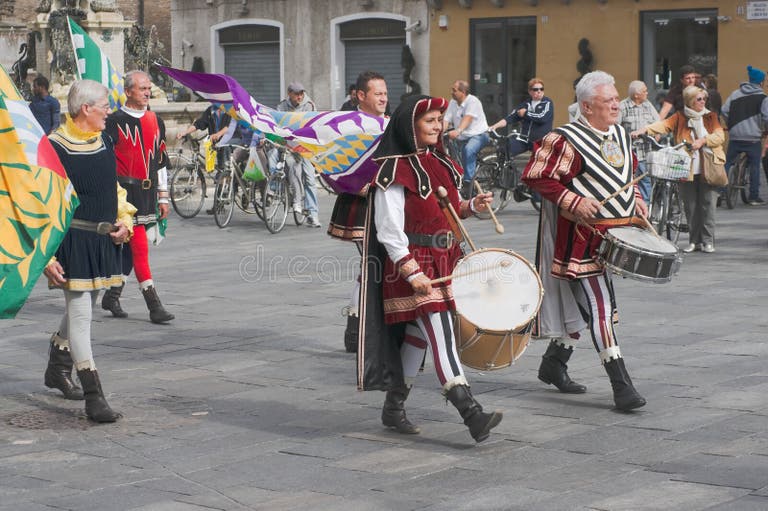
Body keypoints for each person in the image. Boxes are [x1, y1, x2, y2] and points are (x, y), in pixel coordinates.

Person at [358, 94, 502, 443]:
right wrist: (412, 272)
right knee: (440, 331)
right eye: (430, 120)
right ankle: (471, 411)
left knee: (419, 336)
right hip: (414, 263)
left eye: (440, 119)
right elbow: (389, 229)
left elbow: (448, 211)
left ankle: (394, 407)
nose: (438, 125)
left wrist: (471, 205)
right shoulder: (395, 169)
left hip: (446, 258)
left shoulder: (440, 161)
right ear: (411, 126)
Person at [522, 70, 649, 412]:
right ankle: (622, 386)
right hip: (580, 239)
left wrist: (635, 196)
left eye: (615, 98)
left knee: (585, 306)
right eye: (608, 101)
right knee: (601, 307)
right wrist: (573, 201)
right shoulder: (565, 139)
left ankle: (554, 364)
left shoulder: (620, 135)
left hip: (615, 237)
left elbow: (628, 172)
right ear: (587, 106)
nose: (616, 105)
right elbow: (537, 175)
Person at [43, 79, 135, 422]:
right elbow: (43, 204)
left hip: (102, 239)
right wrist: (46, 258)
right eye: (104, 107)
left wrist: (123, 220)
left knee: (84, 303)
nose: (108, 112)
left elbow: (110, 186)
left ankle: (57, 365)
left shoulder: (104, 139)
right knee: (82, 316)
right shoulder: (54, 146)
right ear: (86, 109)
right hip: (72, 242)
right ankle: (94, 397)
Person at [102, 70, 175, 323]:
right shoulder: (113, 121)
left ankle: (112, 295)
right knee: (139, 246)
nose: (147, 92)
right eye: (142, 88)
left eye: (148, 88)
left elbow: (161, 161)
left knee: (128, 248)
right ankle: (153, 305)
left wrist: (163, 197)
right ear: (129, 91)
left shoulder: (156, 120)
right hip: (123, 193)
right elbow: (104, 160)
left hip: (148, 191)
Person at [327, 71, 389, 352]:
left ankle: (357, 328)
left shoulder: (389, 123)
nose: (384, 98)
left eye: (385, 93)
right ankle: (358, 330)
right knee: (374, 264)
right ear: (361, 96)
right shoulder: (348, 125)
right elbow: (328, 163)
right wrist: (354, 184)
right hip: (363, 203)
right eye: (378, 93)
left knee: (375, 266)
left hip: (387, 202)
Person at [636, 86, 726, 253]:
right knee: (690, 207)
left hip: (709, 167)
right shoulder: (680, 117)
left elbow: (720, 136)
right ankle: (694, 241)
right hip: (686, 168)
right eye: (699, 99)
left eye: (704, 99)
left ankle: (708, 241)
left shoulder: (710, 116)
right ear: (690, 101)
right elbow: (662, 125)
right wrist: (644, 130)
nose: (702, 102)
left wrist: (703, 141)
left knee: (708, 205)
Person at [488, 77, 553, 203]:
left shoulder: (547, 103)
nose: (539, 92)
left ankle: (535, 192)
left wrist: (526, 113)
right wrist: (494, 126)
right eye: (535, 89)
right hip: (524, 140)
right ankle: (513, 179)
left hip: (541, 142)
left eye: (541, 89)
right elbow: (510, 118)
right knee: (504, 149)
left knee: (535, 168)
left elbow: (542, 117)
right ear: (530, 91)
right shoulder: (524, 104)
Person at [274, 82, 321, 227]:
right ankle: (275, 190)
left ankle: (313, 214)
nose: (299, 96)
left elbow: (313, 126)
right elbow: (277, 126)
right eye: (296, 94)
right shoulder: (281, 107)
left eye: (301, 93)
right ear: (289, 94)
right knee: (276, 162)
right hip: (287, 145)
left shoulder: (309, 106)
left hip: (305, 146)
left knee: (309, 177)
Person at [721, 65, 768, 206]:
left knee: (728, 162)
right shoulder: (763, 97)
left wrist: (731, 124)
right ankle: (753, 196)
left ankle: (721, 191)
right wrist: (764, 129)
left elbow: (724, 110)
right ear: (761, 82)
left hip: (735, 135)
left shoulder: (735, 94)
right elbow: (766, 117)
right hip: (753, 138)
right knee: (755, 165)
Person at [444, 80, 490, 198]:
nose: (452, 92)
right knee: (450, 151)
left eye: (454, 90)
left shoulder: (473, 101)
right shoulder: (453, 102)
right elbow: (446, 119)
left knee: (468, 150)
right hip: (462, 137)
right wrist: (440, 131)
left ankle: (469, 183)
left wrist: (458, 130)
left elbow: (468, 118)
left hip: (479, 135)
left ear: (463, 92)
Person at [618, 80, 660, 203]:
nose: (647, 93)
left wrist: (656, 132)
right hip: (628, 152)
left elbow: (658, 123)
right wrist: (628, 135)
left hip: (645, 152)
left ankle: (644, 209)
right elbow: (615, 127)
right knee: (628, 181)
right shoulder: (623, 106)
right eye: (644, 91)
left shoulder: (647, 105)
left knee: (645, 181)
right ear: (636, 95)